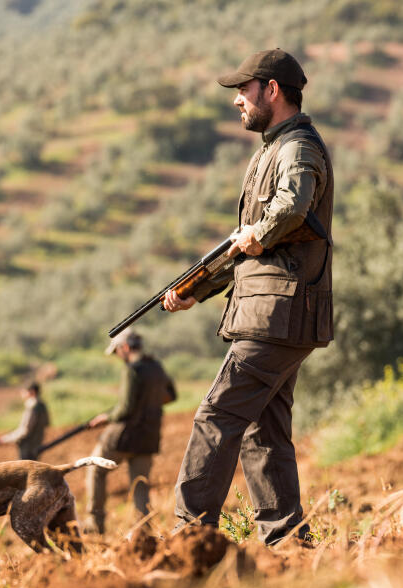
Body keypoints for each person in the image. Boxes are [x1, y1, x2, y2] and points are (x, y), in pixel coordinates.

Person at [161, 48, 334, 545]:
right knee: (265, 430)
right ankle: (288, 542)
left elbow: (291, 208)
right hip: (273, 312)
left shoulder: (297, 147)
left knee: (216, 418)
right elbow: (247, 244)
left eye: (244, 89)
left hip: (276, 316)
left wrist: (261, 231)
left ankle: (190, 539)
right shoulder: (272, 149)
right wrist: (199, 289)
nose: (237, 100)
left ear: (272, 90)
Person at [83, 327, 176, 534]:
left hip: (123, 438)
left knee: (95, 470)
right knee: (140, 485)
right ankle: (144, 532)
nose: (118, 356)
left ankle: (94, 524)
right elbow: (171, 395)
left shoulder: (131, 369)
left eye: (117, 352)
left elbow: (125, 409)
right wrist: (148, 403)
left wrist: (105, 418)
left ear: (125, 347)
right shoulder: (156, 367)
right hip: (148, 437)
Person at [0, 381, 50, 460]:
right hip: (37, 444)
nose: (21, 394)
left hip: (28, 447)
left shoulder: (33, 406)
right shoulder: (42, 405)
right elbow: (47, 423)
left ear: (32, 391)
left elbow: (25, 430)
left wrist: (7, 439)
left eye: (24, 391)